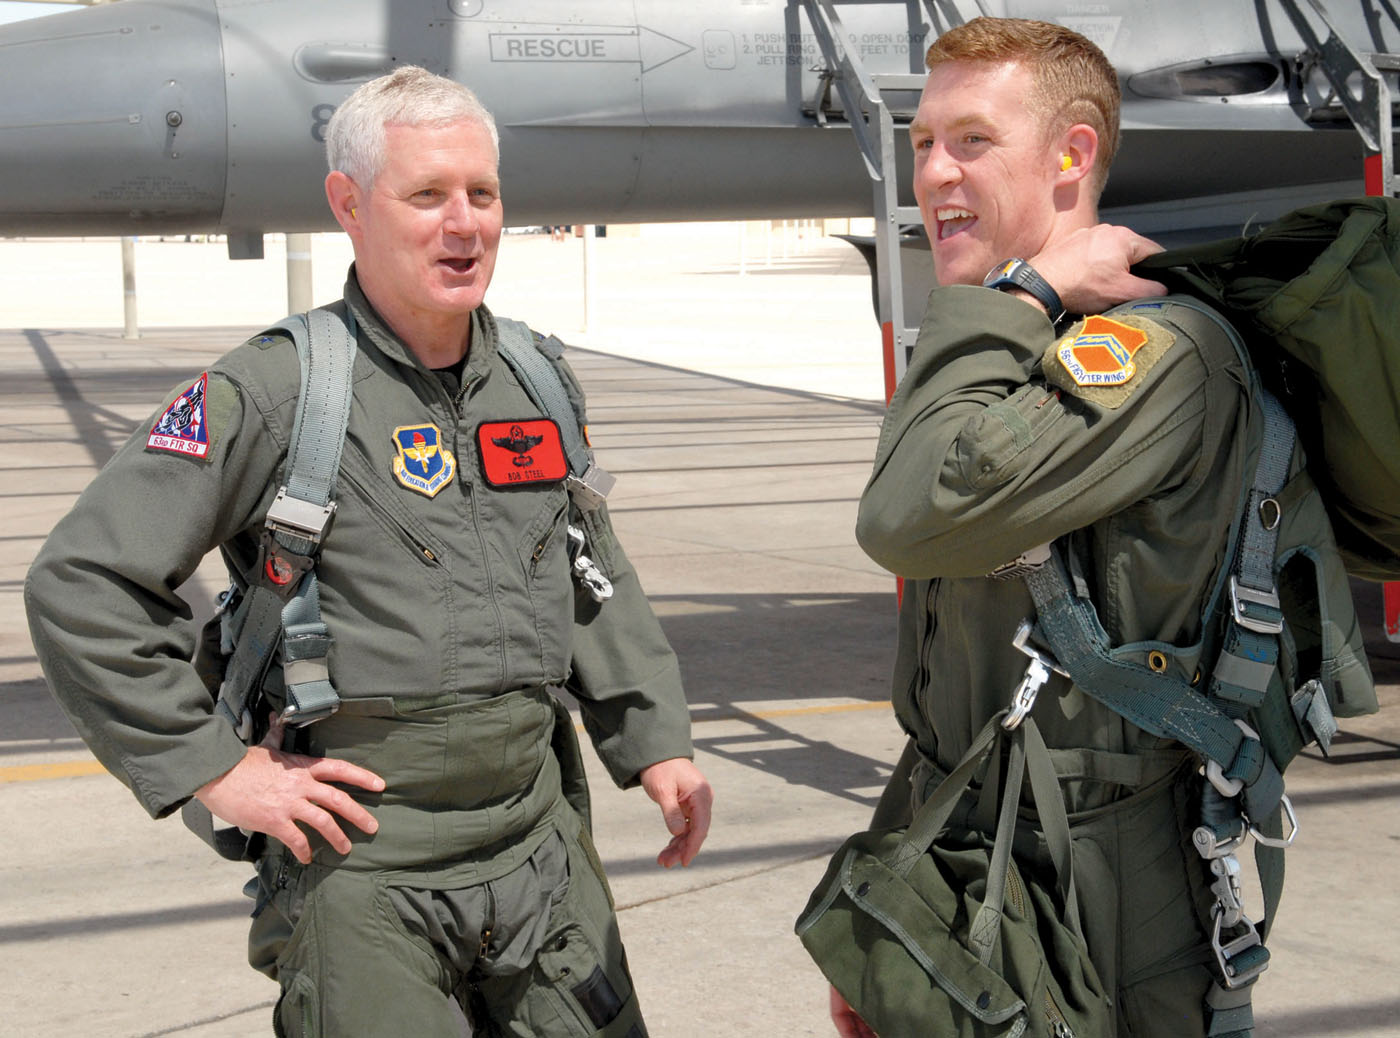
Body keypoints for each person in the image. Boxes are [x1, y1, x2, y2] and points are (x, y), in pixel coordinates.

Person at [25, 65, 711, 1037]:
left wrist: (653, 743)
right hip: (364, 859)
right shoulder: (274, 394)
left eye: (481, 193)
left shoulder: (536, 380)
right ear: (348, 204)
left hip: (537, 839)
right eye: (426, 195)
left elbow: (585, 565)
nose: (464, 223)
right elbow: (83, 584)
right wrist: (214, 769)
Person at [826, 18, 1371, 1038]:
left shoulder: (1147, 358)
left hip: (1100, 916)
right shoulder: (1018, 341)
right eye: (921, 144)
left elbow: (903, 518)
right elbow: (955, 702)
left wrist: (1014, 298)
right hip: (980, 886)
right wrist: (885, 924)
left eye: (971, 142)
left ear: (1070, 155)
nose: (933, 173)